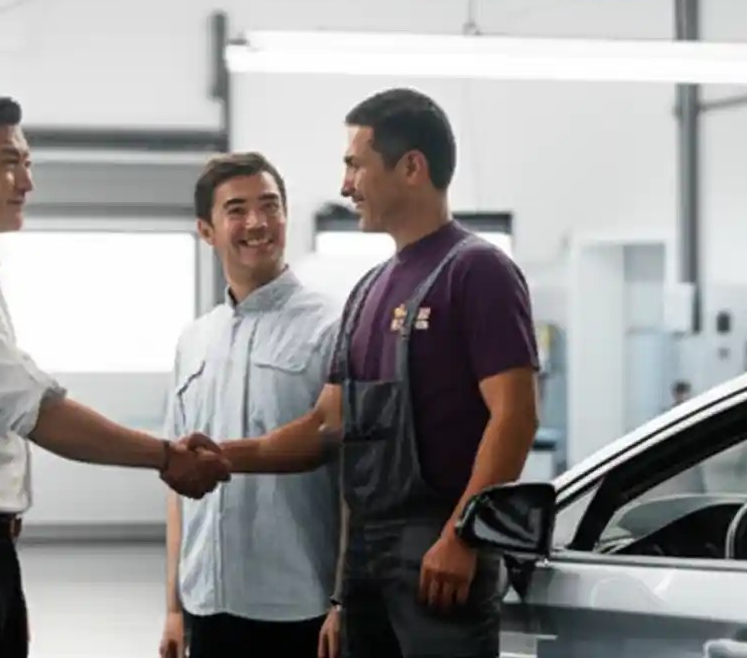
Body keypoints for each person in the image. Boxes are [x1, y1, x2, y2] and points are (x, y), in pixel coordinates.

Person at [0, 88, 232, 658]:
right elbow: (43, 414)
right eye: (10, 164)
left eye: (28, 163)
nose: (27, 182)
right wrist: (166, 456)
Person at [202, 88, 540, 658]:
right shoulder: (367, 291)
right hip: (367, 558)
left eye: (355, 164)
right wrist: (220, 457)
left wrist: (463, 535)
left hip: (438, 547)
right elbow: (326, 427)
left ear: (411, 167)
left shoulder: (477, 272)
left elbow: (516, 415)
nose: (345, 185)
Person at [160, 152, 341, 658]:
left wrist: (342, 601)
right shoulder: (194, 340)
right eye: (237, 210)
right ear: (206, 230)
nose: (257, 223)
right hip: (207, 602)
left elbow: (354, 478)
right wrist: (174, 606)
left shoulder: (332, 326)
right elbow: (176, 486)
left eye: (270, 205)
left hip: (299, 602)